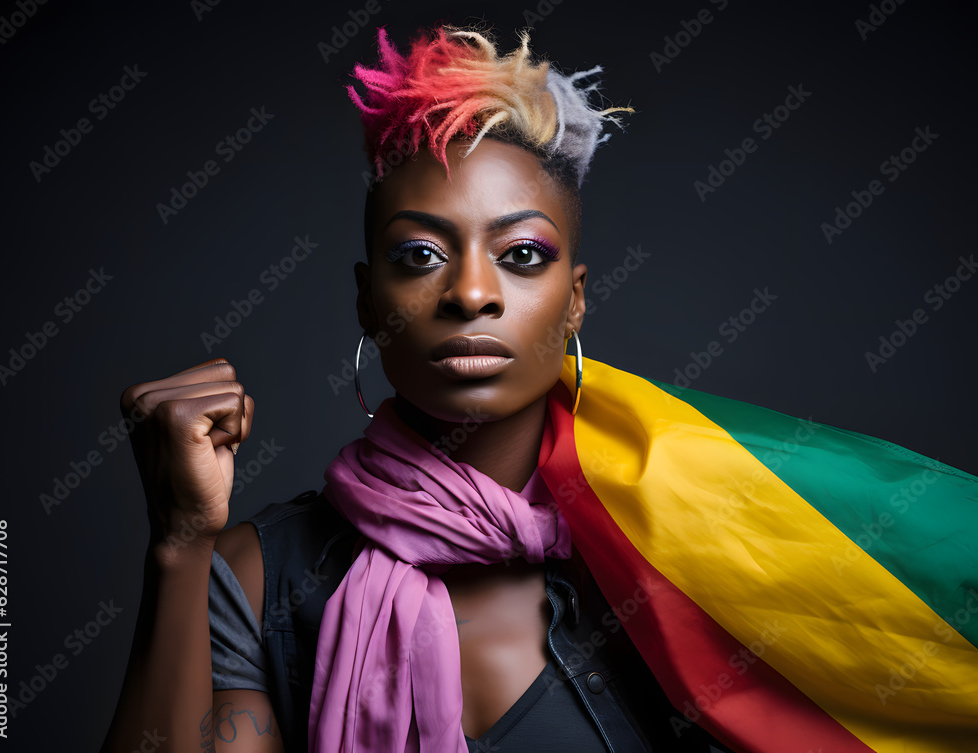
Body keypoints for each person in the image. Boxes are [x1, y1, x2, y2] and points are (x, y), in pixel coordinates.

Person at [101, 23, 978, 753]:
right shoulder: (261, 573)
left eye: (522, 256)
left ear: (575, 300)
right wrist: (182, 543)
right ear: (368, 299)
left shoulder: (681, 545)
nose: (472, 292)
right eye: (420, 255)